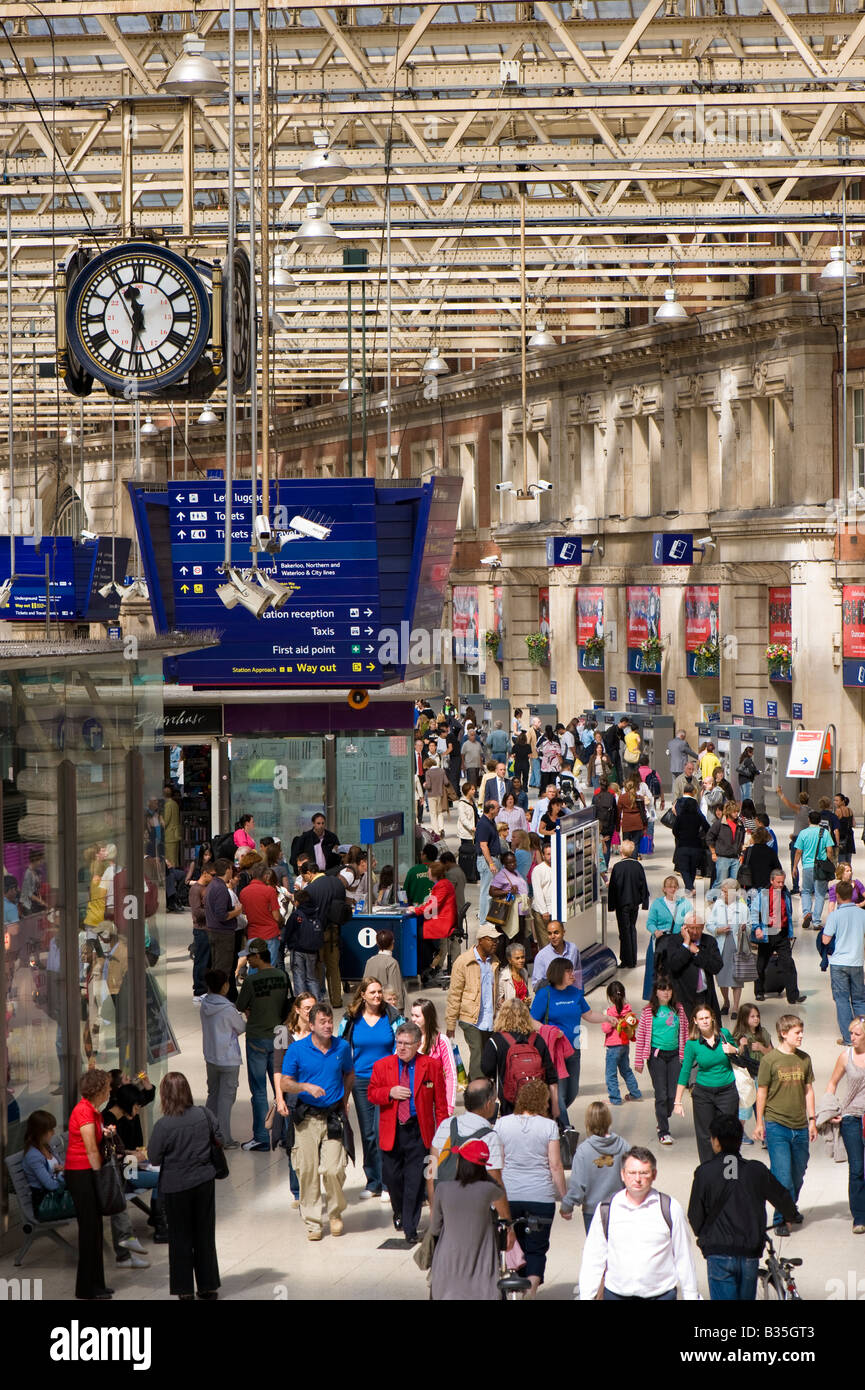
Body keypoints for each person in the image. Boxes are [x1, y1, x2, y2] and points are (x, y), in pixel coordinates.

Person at [688, 1114, 799, 1300]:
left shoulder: (704, 1172)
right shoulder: (757, 1170)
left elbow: (695, 1214)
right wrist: (790, 1216)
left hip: (718, 1252)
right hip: (749, 1253)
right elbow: (782, 1195)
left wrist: (706, 1235)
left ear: (715, 1142)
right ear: (740, 1140)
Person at [578, 1146, 698, 1301]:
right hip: (616, 1295)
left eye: (644, 1173)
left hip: (661, 1295)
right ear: (622, 1175)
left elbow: (684, 1258)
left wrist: (692, 1296)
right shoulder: (607, 1209)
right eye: (632, 1173)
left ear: (654, 1175)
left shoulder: (670, 1208)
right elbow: (593, 1258)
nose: (637, 1179)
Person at [278, 1002, 355, 1240]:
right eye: (322, 1021)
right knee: (308, 1171)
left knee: (333, 1169)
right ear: (311, 1025)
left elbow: (349, 1073)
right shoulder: (297, 1049)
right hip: (306, 1118)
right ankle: (312, 1221)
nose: (328, 1025)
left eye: (330, 1021)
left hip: (332, 1116)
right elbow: (285, 1082)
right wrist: (304, 1087)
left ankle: (334, 1213)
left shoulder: (342, 1047)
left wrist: (345, 1099)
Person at [368, 1021, 447, 1245]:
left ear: (418, 1044)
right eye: (398, 1043)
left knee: (415, 1180)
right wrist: (389, 1092)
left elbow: (440, 1105)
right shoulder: (383, 1066)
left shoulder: (430, 1066)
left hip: (417, 1130)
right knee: (393, 1178)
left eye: (406, 1044)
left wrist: (440, 1137)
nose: (401, 1048)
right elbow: (372, 1094)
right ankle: (399, 1211)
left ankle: (411, 1227)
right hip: (392, 1130)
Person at [147, 1071, 221, 1301]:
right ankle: (208, 1286)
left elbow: (154, 1158)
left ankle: (184, 1289)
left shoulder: (163, 1126)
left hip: (176, 1186)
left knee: (179, 1237)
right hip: (204, 1181)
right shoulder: (204, 1114)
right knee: (204, 1234)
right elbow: (218, 1137)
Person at [494, 1078, 565, 1296]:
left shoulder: (502, 1124)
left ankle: (514, 1282)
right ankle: (531, 1291)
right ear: (543, 1101)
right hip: (540, 1197)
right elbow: (555, 1165)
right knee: (537, 1248)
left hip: (510, 1196)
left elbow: (499, 1162)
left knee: (514, 1244)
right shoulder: (549, 1126)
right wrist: (565, 1197)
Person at [337, 978, 404, 1200]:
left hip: (387, 1081)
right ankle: (373, 1181)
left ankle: (387, 1183)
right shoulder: (350, 1019)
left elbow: (404, 1041)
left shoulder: (392, 1016)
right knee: (368, 1133)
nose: (377, 996)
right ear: (362, 995)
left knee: (383, 1130)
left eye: (379, 992)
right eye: (372, 992)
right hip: (361, 1081)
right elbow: (341, 1047)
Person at [754, 1014, 817, 1237]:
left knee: (798, 1173)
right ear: (783, 1033)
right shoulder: (769, 1060)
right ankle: (781, 1218)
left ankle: (791, 1208)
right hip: (776, 1125)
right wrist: (759, 1122)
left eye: (801, 1032)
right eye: (796, 1032)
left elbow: (808, 1090)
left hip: (800, 1125)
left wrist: (812, 1120)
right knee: (782, 1174)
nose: (801, 1036)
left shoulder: (804, 1059)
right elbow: (761, 1092)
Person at [429, 1137, 513, 1301]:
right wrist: (483, 1173)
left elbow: (435, 1229)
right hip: (482, 1269)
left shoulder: (443, 1189)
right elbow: (499, 1191)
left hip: (447, 1267)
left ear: (459, 1162)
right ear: (482, 1168)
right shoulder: (488, 1189)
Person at [531, 958, 606, 1123]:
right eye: (569, 971)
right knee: (559, 1094)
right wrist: (549, 1030)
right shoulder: (545, 994)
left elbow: (589, 1015)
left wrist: (608, 1018)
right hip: (554, 1053)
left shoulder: (576, 993)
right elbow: (531, 1020)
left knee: (572, 1092)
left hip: (574, 1050)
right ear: (559, 973)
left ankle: (552, 1118)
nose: (573, 974)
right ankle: (565, 1129)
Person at [64, 1068, 116, 1300]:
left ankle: (97, 1283)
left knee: (94, 1230)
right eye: (108, 1086)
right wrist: (100, 1177)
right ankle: (87, 1288)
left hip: (85, 1173)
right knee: (88, 1231)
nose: (110, 1090)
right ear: (99, 1089)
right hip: (82, 1174)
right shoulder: (84, 1112)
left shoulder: (92, 1110)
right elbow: (91, 1149)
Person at [236, 939, 289, 1153]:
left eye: (249, 956)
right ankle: (285, 1134)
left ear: (258, 956)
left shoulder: (251, 980)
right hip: (280, 1035)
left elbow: (240, 1005)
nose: (247, 960)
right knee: (282, 1087)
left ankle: (261, 1137)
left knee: (258, 1091)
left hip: (257, 1037)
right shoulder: (282, 976)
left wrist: (251, 1008)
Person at [672, 1004, 741, 1163]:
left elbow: (739, 1051)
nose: (704, 1021)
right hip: (703, 1093)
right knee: (705, 1136)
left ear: (712, 1019)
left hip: (727, 1091)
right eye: (701, 1018)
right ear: (695, 1021)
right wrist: (678, 1101)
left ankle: (730, 1172)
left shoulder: (724, 1034)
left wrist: (734, 1050)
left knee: (729, 1134)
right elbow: (685, 1071)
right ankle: (708, 1171)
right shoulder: (692, 1043)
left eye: (707, 1018)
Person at [194, 968, 245, 1151]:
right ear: (224, 986)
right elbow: (240, 1027)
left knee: (213, 1095)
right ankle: (224, 1138)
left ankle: (208, 1133)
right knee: (226, 1100)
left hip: (211, 1057)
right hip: (229, 1059)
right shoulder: (228, 1009)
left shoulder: (205, 1004)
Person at [481, 998, 558, 1117]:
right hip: (538, 1107)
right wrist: (555, 1108)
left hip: (509, 1105)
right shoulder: (537, 1040)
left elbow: (487, 1069)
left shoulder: (495, 1041)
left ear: (501, 1016)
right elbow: (551, 1077)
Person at [634, 977, 688, 1145]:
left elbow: (685, 1032)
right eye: (662, 989)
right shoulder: (648, 1011)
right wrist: (639, 1061)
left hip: (674, 1056)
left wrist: (686, 1056)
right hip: (656, 1056)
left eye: (669, 989)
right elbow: (641, 1036)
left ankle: (663, 1115)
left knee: (673, 1095)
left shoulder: (679, 1010)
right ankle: (663, 1130)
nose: (666, 992)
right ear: (656, 992)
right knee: (661, 1094)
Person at [824, 1016, 865, 1233]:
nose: (853, 1037)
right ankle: (859, 1217)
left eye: (857, 1034)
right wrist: (830, 1108)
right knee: (857, 1167)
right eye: (851, 1033)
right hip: (851, 1117)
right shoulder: (845, 1056)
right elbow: (832, 1083)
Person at [560, 1101, 629, 1231]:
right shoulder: (623, 1146)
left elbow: (578, 1184)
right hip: (619, 1207)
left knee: (596, 1249)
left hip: (593, 1211)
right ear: (609, 1120)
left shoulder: (583, 1150)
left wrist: (567, 1206)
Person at [445, 927, 503, 1080]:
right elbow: (454, 994)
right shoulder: (463, 962)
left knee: (485, 1054)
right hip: (469, 1017)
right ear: (480, 940)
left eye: (496, 940)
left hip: (489, 1017)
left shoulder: (495, 961)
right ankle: (478, 1092)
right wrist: (450, 1023)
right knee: (477, 1050)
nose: (495, 943)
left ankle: (473, 1086)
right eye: (491, 939)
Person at [750, 868, 805, 1004]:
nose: (781, 884)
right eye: (778, 882)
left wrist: (789, 932)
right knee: (761, 965)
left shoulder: (785, 893)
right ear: (771, 881)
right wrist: (757, 928)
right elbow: (754, 912)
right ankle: (759, 991)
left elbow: (788, 913)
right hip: (767, 934)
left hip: (782, 934)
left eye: (782, 882)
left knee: (788, 964)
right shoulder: (762, 894)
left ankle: (793, 995)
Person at [821, 880, 865, 1044]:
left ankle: (848, 1038)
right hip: (857, 962)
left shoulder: (835, 915)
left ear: (837, 896)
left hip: (839, 963)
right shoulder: (862, 914)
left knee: (842, 1000)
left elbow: (826, 940)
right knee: (860, 1000)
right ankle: (863, 1036)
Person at [23, 1109, 76, 1222]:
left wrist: (64, 1170)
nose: (53, 1132)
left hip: (58, 1194)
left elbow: (62, 1165)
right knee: (88, 1204)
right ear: (39, 1132)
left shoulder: (47, 1146)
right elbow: (51, 1185)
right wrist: (65, 1174)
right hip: (46, 1203)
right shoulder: (33, 1156)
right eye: (50, 1130)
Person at [706, 877, 748, 1017]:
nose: (723, 894)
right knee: (722, 976)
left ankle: (735, 1007)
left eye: (725, 892)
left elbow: (749, 926)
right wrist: (718, 930)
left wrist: (744, 928)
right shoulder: (718, 905)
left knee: (736, 977)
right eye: (722, 891)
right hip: (721, 943)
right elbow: (709, 924)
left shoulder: (742, 907)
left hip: (737, 944)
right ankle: (726, 1002)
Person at [643, 874, 689, 1000]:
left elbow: (690, 919)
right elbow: (650, 923)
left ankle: (676, 996)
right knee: (656, 970)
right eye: (669, 887)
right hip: (660, 941)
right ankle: (655, 997)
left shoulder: (684, 903)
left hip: (677, 941)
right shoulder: (657, 904)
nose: (672, 890)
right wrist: (655, 931)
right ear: (664, 889)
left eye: (675, 887)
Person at [732, 1003, 772, 1143]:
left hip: (762, 1073)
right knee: (746, 1105)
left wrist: (762, 1048)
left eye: (757, 1016)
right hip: (747, 1076)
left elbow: (772, 1053)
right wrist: (741, 1045)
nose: (756, 1019)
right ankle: (740, 1133)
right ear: (744, 1018)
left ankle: (763, 1134)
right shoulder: (739, 1035)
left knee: (762, 1105)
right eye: (752, 1016)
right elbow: (735, 1056)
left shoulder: (764, 1033)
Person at [606, 839, 649, 969]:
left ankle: (627, 960)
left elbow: (613, 887)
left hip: (622, 904)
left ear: (621, 851)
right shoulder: (638, 866)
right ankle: (632, 958)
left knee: (624, 931)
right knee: (631, 928)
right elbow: (643, 885)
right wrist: (645, 902)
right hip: (634, 903)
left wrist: (611, 905)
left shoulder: (617, 867)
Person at [412, 859, 457, 981]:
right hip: (443, 917)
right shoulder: (443, 884)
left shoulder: (442, 885)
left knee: (419, 933)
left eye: (429, 871)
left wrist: (415, 910)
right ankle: (431, 957)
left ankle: (430, 959)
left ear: (435, 874)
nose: (428, 873)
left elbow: (433, 906)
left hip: (444, 921)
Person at [411, 997, 457, 1115]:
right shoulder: (407, 1039)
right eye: (412, 1015)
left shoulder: (441, 1041)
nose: (413, 1019)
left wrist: (449, 1107)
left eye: (417, 1016)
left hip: (435, 1101)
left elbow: (451, 1074)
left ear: (427, 1017)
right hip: (412, 1102)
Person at [205, 858, 243, 999]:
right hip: (223, 934)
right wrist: (237, 912)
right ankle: (219, 1001)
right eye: (231, 869)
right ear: (227, 870)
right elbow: (222, 914)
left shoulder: (213, 885)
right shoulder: (221, 888)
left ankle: (214, 999)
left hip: (215, 932)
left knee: (217, 969)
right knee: (222, 972)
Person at [794, 809, 836, 931]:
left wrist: (794, 866)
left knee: (806, 891)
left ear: (809, 820)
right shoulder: (825, 833)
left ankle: (807, 912)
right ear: (820, 821)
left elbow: (798, 851)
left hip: (807, 866)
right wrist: (829, 862)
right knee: (820, 894)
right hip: (821, 867)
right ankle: (817, 922)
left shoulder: (803, 833)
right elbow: (829, 850)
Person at [602, 979, 642, 1105]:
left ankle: (614, 1098)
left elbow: (605, 1029)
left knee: (611, 1074)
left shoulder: (610, 1012)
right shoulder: (628, 1011)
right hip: (625, 1045)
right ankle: (635, 1093)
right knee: (626, 1070)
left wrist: (606, 1016)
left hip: (613, 1047)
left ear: (609, 997)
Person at [239, 868, 282, 968]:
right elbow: (276, 917)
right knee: (269, 966)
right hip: (270, 933)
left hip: (253, 933)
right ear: (265, 876)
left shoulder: (244, 892)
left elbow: (244, 911)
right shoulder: (270, 891)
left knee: (253, 965)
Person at [671, 786, 710, 891]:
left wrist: (680, 837)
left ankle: (690, 887)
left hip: (683, 845)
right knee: (693, 868)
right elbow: (707, 827)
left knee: (684, 869)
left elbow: (674, 830)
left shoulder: (680, 817)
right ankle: (689, 888)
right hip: (696, 845)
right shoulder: (698, 817)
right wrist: (701, 836)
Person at [531, 919, 583, 991]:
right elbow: (536, 985)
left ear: (563, 932)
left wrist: (579, 993)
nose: (553, 936)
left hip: (571, 994)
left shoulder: (573, 949)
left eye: (556, 933)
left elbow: (577, 972)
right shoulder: (541, 956)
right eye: (549, 933)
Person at [475, 799, 503, 926]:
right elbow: (483, 846)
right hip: (488, 861)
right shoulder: (483, 824)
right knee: (487, 891)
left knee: (492, 891)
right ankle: (484, 921)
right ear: (491, 810)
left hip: (494, 859)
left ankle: (488, 917)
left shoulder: (491, 822)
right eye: (497, 808)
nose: (499, 809)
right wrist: (491, 863)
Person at [189, 860, 215, 997]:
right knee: (201, 960)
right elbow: (197, 912)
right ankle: (199, 990)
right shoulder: (196, 890)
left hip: (209, 930)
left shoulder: (208, 888)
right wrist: (213, 911)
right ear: (205, 873)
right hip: (201, 930)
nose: (213, 878)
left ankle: (205, 988)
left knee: (208, 961)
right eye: (212, 875)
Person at [363, 928, 405, 1012]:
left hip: (370, 1007)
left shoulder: (369, 961)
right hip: (386, 1010)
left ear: (377, 943)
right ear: (392, 943)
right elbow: (396, 989)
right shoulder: (392, 963)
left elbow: (364, 985)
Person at [707, 800, 744, 891]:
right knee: (720, 882)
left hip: (735, 857)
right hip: (722, 857)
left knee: (734, 883)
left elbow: (742, 841)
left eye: (737, 811)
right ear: (728, 811)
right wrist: (713, 853)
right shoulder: (719, 824)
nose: (736, 814)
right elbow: (709, 837)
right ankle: (712, 899)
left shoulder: (740, 824)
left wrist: (742, 854)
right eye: (734, 811)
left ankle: (730, 902)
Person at [529, 841, 553, 950]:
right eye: (548, 854)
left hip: (554, 910)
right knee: (545, 943)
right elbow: (537, 892)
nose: (551, 856)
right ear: (543, 855)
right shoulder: (538, 870)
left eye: (552, 853)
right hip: (541, 911)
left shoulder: (559, 867)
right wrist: (544, 911)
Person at [497, 941, 532, 1006]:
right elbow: (499, 1002)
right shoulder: (503, 977)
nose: (521, 960)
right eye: (517, 958)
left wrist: (527, 1001)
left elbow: (526, 995)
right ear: (509, 960)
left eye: (522, 957)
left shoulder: (524, 972)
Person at [423, 759, 450, 839]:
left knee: (433, 814)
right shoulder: (441, 771)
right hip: (440, 794)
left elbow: (429, 786)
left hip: (431, 795)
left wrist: (425, 785)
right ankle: (441, 828)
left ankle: (436, 832)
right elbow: (446, 782)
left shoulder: (428, 773)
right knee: (439, 812)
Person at [162, 784, 182, 869]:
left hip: (169, 836)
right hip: (175, 835)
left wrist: (159, 816)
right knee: (174, 859)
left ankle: (173, 878)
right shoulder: (175, 804)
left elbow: (165, 822)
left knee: (171, 860)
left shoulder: (168, 805)